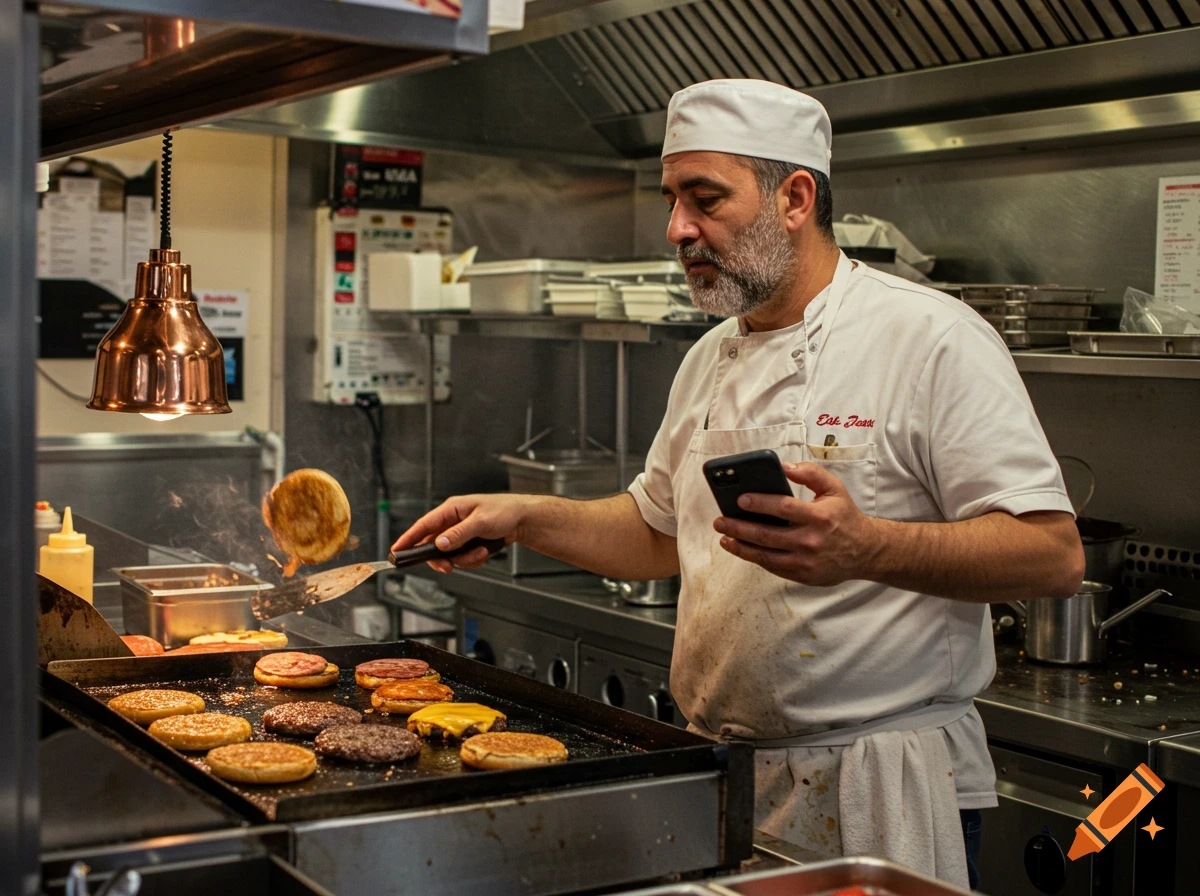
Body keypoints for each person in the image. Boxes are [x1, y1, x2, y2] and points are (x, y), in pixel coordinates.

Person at [392, 79, 1084, 889]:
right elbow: (657, 535)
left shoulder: (929, 337)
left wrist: (866, 546)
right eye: (673, 199)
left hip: (879, 782)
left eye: (705, 198)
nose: (677, 229)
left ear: (794, 197)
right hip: (722, 771)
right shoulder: (708, 357)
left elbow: (1053, 555)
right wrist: (523, 516)